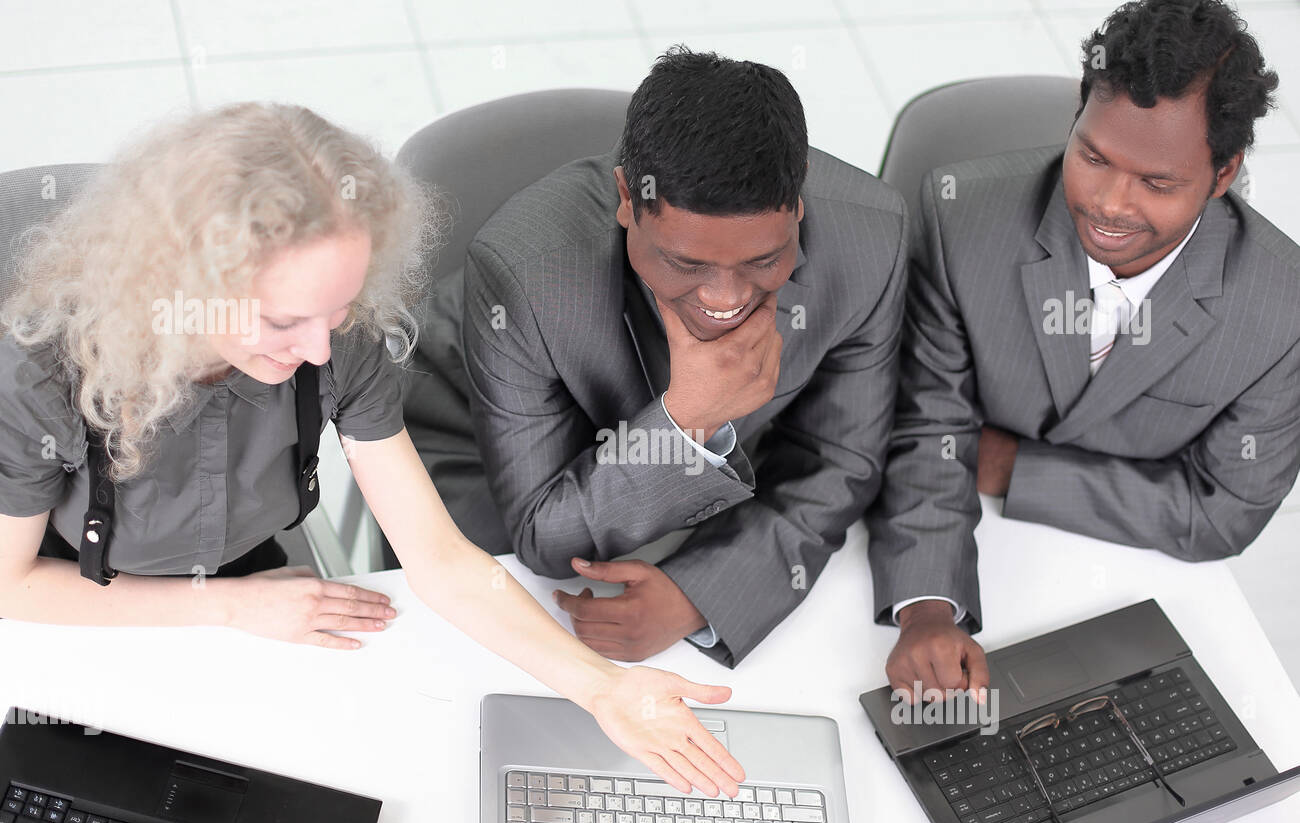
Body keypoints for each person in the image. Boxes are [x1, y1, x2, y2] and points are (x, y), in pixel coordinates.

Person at [0, 102, 745, 798]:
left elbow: (439, 559)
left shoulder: (333, 342)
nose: (319, 347)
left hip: (250, 586)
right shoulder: (42, 372)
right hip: (80, 606)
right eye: (284, 320)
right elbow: (11, 586)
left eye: (340, 308)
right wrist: (226, 606)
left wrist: (602, 688)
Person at [867, 0, 1298, 701]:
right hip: (963, 544)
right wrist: (928, 608)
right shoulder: (959, 218)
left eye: (1157, 183)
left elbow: (1222, 514)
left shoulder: (1282, 310)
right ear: (1076, 114)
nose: (1109, 204)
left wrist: (1014, 467)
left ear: (1223, 174)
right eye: (1094, 156)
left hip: (1129, 589)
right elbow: (925, 431)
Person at [437, 47, 906, 669]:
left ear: (798, 206)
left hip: (716, 497)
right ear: (627, 198)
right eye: (685, 264)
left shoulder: (876, 236)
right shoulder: (523, 272)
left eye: (763, 262)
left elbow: (839, 458)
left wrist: (701, 591)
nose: (725, 300)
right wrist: (688, 420)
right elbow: (542, 537)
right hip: (478, 445)